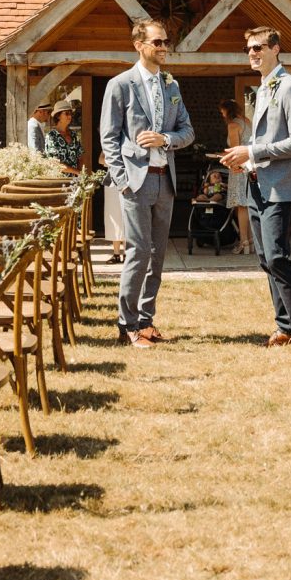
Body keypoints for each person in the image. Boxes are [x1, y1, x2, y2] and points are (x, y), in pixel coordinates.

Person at [219, 26, 291, 354]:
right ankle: (284, 326)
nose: (252, 54)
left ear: (276, 48)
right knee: (265, 259)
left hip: (279, 188)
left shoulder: (290, 88)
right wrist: (243, 160)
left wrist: (253, 153)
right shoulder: (261, 89)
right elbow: (262, 141)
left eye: (258, 47)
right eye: (248, 48)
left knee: (278, 257)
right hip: (256, 184)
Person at [99, 18, 193, 347]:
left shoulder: (172, 86)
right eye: (158, 42)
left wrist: (165, 138)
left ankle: (146, 320)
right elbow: (109, 138)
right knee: (138, 252)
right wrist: (123, 180)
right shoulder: (120, 84)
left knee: (157, 255)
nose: (164, 47)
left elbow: (188, 132)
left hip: (165, 180)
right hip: (135, 182)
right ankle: (126, 326)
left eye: (166, 42)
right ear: (140, 46)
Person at [217, 97, 252, 252]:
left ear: (226, 111)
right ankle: (251, 242)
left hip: (239, 167)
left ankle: (243, 242)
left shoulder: (233, 125)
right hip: (252, 166)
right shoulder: (247, 121)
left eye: (222, 112)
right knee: (249, 204)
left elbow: (235, 151)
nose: (222, 115)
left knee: (241, 205)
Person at [44, 97, 82, 172]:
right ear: (58, 116)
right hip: (58, 180)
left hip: (75, 180)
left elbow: (80, 157)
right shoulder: (52, 136)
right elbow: (54, 163)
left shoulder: (74, 135)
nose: (70, 116)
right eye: (67, 113)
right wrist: (77, 172)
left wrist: (81, 174)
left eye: (71, 113)